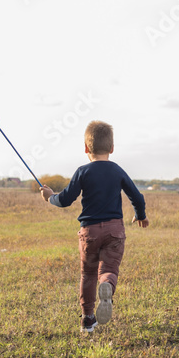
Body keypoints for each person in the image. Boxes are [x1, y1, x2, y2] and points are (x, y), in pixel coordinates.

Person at [40, 120, 148, 333]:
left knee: (88, 274)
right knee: (108, 269)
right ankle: (107, 284)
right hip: (115, 230)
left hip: (89, 232)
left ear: (86, 148)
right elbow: (137, 196)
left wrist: (49, 197)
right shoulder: (117, 170)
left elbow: (64, 200)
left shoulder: (82, 172)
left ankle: (88, 320)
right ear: (112, 149)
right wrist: (140, 215)